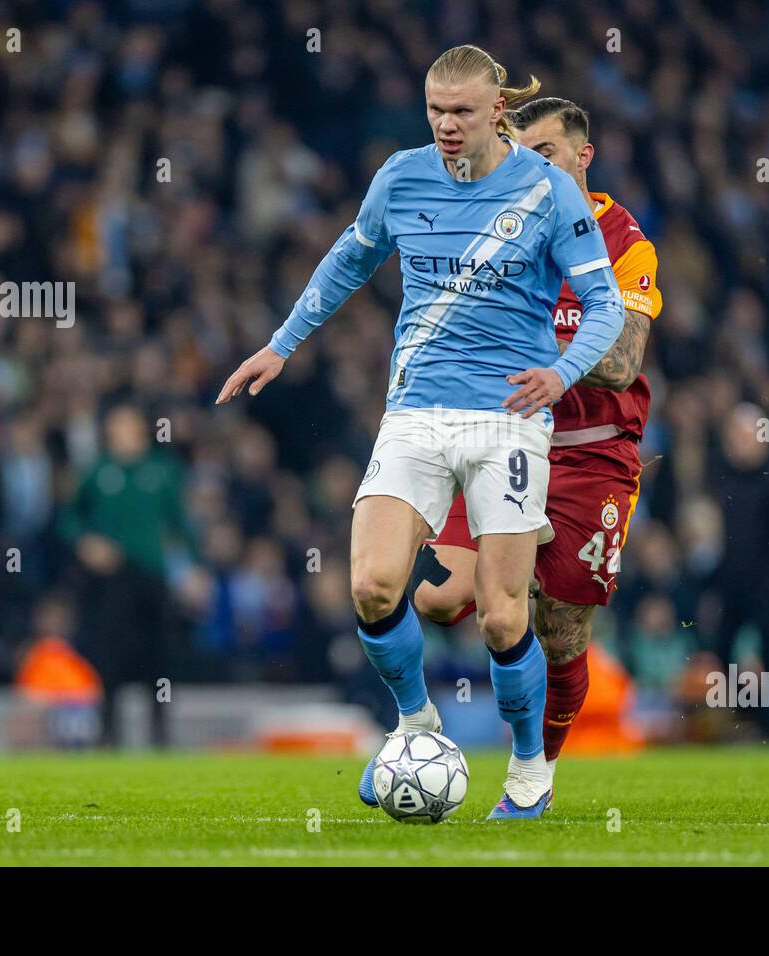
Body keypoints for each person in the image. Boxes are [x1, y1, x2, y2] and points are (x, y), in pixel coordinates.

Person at [216, 47, 625, 818]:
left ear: (496, 111)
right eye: (436, 110)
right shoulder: (400, 176)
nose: (445, 125)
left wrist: (562, 375)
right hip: (415, 411)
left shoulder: (545, 191)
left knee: (504, 615)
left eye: (462, 112)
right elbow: (350, 258)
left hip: (507, 419)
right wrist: (281, 344)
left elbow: (603, 304)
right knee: (372, 585)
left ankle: (530, 768)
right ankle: (416, 724)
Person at [413, 98, 661, 790]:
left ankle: (536, 771)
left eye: (543, 153)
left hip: (590, 452)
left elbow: (623, 363)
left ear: (584, 156)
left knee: (562, 638)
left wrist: (530, 340)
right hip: (508, 440)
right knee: (435, 600)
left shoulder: (624, 241)